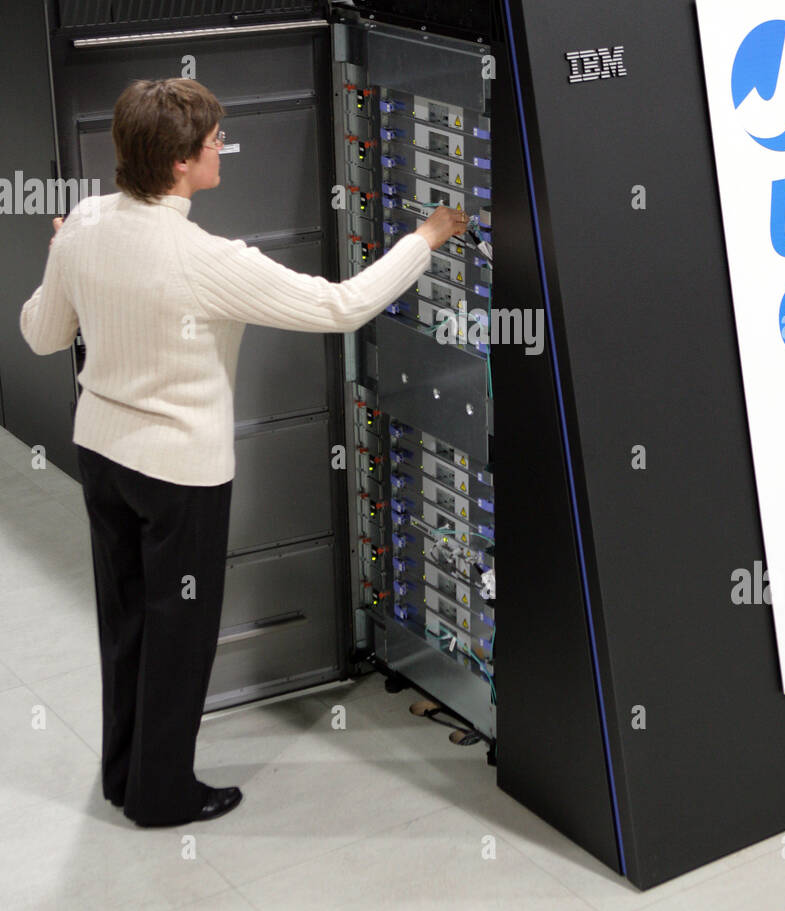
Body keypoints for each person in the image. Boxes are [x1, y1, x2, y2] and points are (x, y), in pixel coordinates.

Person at [20, 77, 467, 828]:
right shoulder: (208, 258)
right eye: (210, 143)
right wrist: (423, 239)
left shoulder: (87, 224)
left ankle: (125, 774)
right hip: (178, 474)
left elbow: (41, 335)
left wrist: (61, 257)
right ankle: (161, 794)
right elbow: (340, 306)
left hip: (102, 454)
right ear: (178, 166)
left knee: (128, 619)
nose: (219, 149)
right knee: (181, 632)